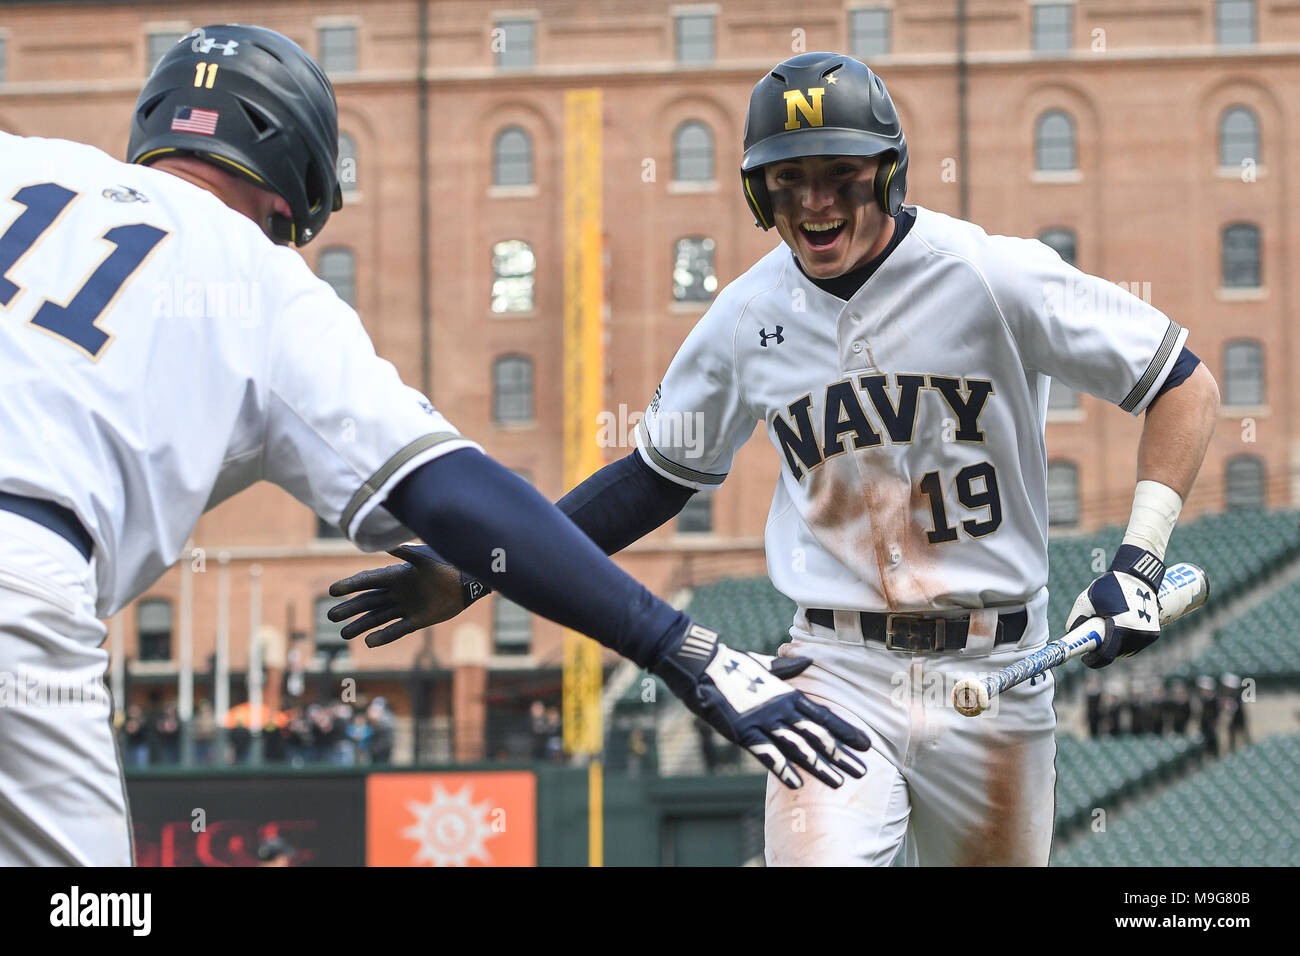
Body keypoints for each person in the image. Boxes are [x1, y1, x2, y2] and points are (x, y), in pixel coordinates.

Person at [0, 28, 867, 866]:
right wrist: (678, 645)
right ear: (293, 193)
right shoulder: (260, 278)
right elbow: (452, 494)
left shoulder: (20, 161)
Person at [330, 52, 1220, 866]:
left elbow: (1182, 383)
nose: (814, 202)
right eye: (787, 179)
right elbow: (651, 482)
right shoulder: (744, 316)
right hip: (836, 672)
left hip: (998, 672)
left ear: (887, 171)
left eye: (840, 175)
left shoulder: (993, 276)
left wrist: (1139, 560)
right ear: (759, 191)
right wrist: (479, 568)